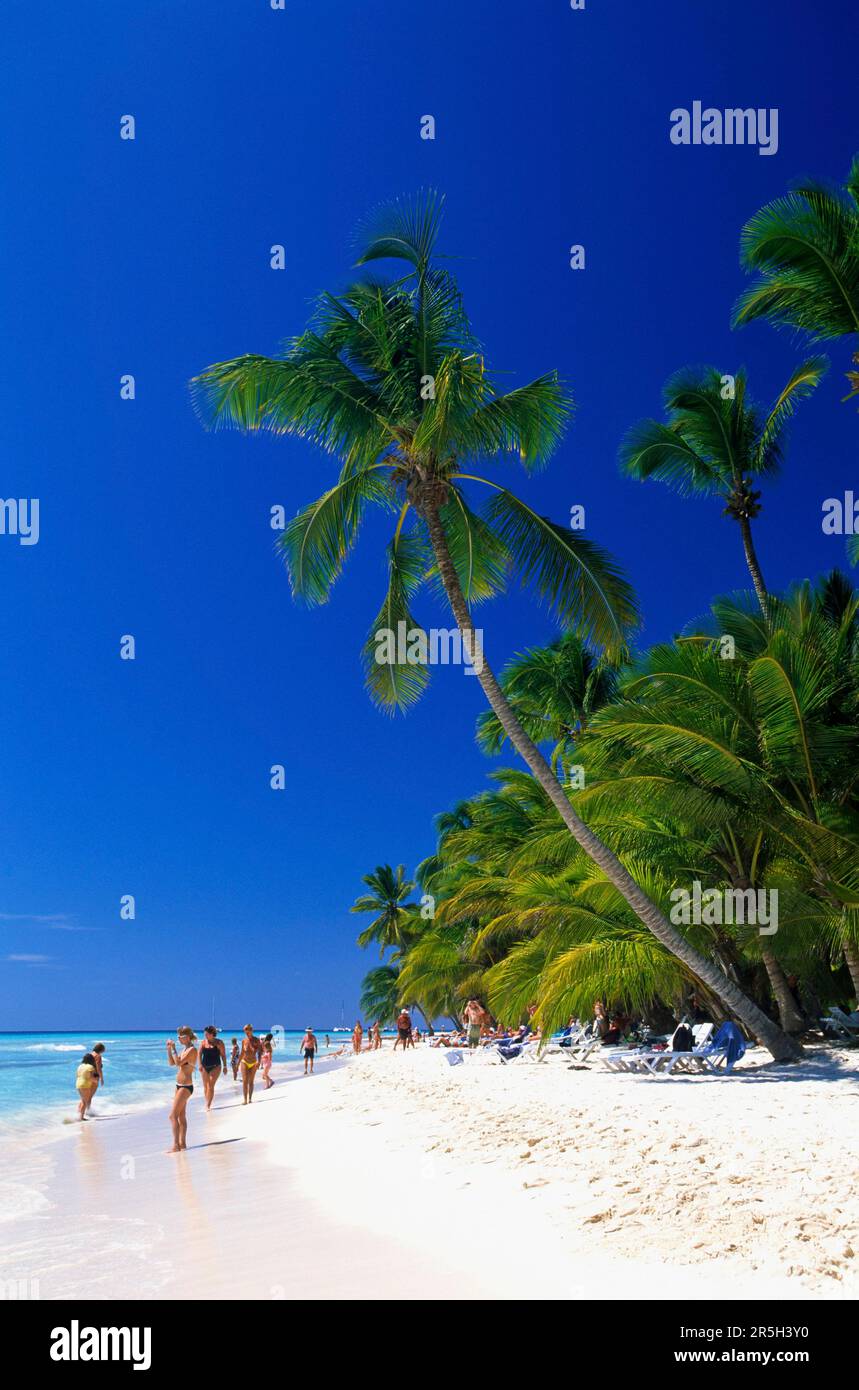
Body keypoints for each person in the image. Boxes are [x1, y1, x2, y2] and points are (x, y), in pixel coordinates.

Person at [166, 1027, 198, 1153]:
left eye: (181, 1036)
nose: (178, 1038)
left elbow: (179, 1063)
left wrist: (173, 1048)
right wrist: (169, 1050)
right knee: (181, 1116)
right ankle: (182, 1143)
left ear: (188, 1037)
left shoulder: (192, 1050)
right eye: (178, 1036)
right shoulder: (184, 1050)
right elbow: (172, 1063)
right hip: (178, 1085)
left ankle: (175, 1145)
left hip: (186, 1086)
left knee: (172, 1116)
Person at [199, 1026, 227, 1110]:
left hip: (216, 1066)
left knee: (210, 1085)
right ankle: (207, 1101)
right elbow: (199, 1054)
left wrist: (225, 1066)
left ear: (212, 1034)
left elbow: (223, 1055)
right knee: (205, 1086)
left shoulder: (219, 1043)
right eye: (205, 1034)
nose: (205, 1036)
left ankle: (208, 1105)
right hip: (204, 1067)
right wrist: (200, 1064)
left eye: (207, 1034)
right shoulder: (203, 1042)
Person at [239, 1023, 262, 1104]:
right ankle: (245, 1100)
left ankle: (250, 1099)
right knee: (245, 1081)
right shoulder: (244, 1041)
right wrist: (238, 1063)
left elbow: (260, 1052)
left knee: (251, 1081)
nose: (245, 1031)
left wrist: (259, 1061)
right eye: (244, 1030)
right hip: (244, 1061)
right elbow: (242, 1052)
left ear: (251, 1030)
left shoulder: (256, 1040)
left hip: (253, 1063)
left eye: (247, 1029)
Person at [75, 1053, 99, 1120]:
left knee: (83, 1100)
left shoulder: (80, 1066)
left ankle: (78, 1114)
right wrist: (96, 1081)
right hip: (85, 1085)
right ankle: (81, 1117)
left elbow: (77, 1075)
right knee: (85, 1101)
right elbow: (91, 1077)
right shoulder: (91, 1067)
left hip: (78, 1084)